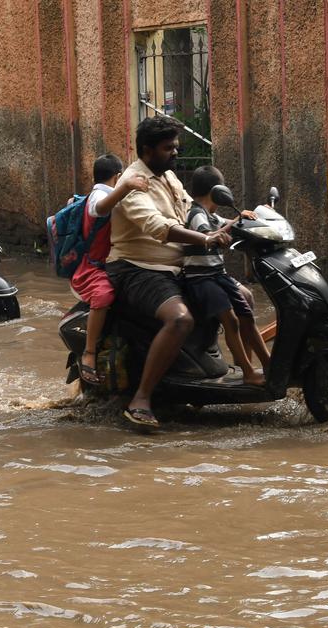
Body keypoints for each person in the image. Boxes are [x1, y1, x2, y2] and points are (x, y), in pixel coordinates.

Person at [104, 116, 232, 428]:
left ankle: (206, 370)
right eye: (167, 148)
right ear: (147, 150)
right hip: (138, 269)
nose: (175, 153)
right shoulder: (132, 183)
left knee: (238, 296)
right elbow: (157, 226)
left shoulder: (169, 177)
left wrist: (232, 223)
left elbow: (190, 211)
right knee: (180, 319)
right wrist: (204, 239)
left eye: (175, 147)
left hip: (177, 266)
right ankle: (142, 399)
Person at [182, 166, 271, 384]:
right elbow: (206, 235)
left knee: (247, 316)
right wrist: (224, 230)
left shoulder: (211, 215)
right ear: (217, 192)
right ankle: (248, 372)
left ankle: (269, 364)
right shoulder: (196, 214)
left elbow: (228, 225)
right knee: (231, 321)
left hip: (217, 275)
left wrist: (245, 217)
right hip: (201, 279)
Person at [69, 154, 150, 384]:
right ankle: (90, 353)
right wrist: (125, 187)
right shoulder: (100, 195)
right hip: (94, 268)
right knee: (104, 296)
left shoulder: (110, 193)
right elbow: (99, 209)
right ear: (117, 176)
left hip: (117, 262)